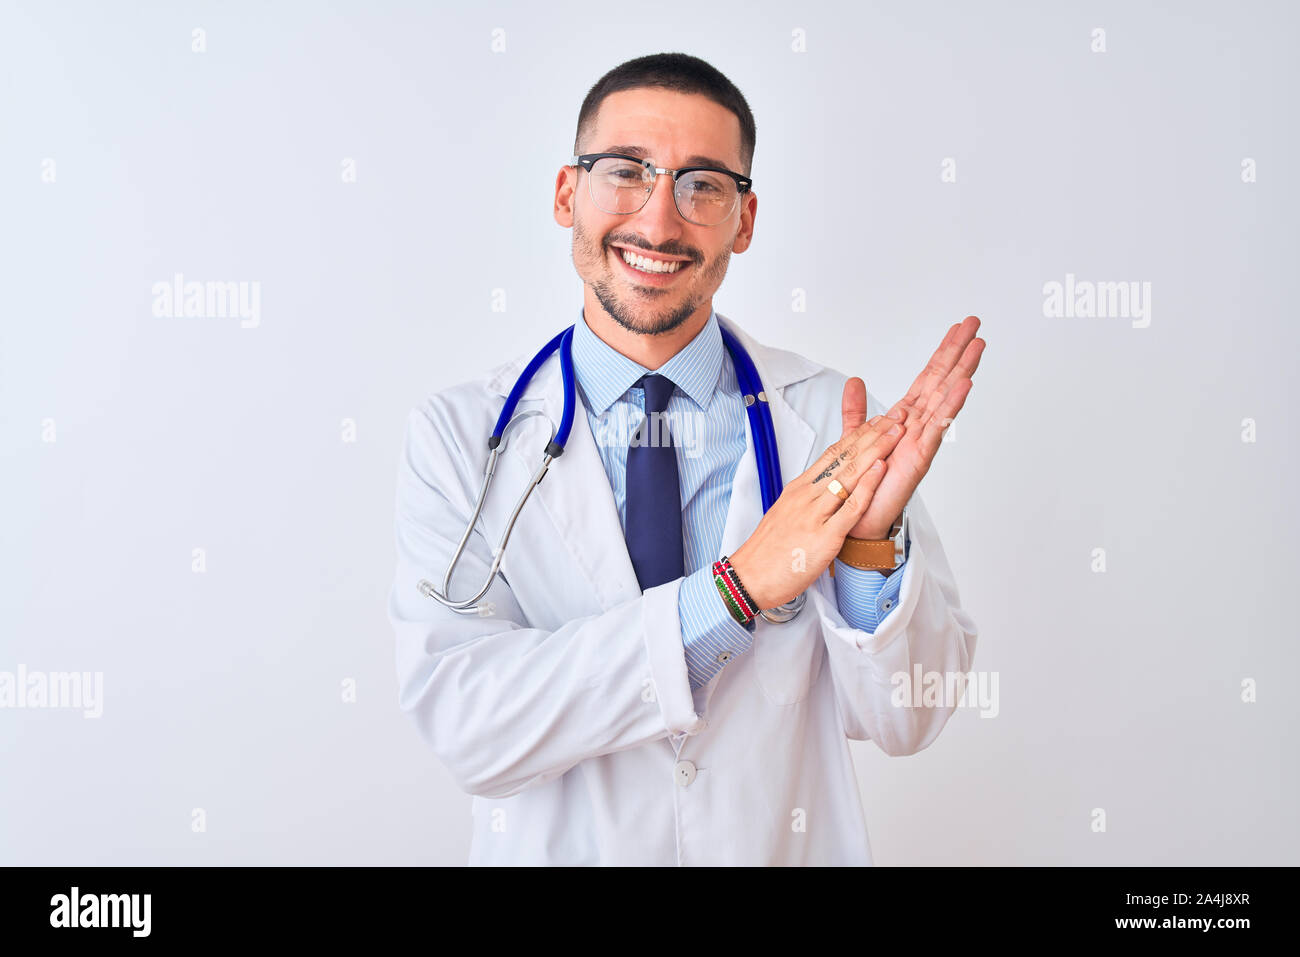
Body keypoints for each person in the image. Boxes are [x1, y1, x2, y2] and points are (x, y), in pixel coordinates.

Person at [387, 52, 985, 865]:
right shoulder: (462, 437)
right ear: (569, 194)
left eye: (703, 184)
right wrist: (733, 593)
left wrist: (867, 552)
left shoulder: (829, 425)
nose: (660, 222)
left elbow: (913, 717)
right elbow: (467, 727)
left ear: (744, 219)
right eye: (627, 171)